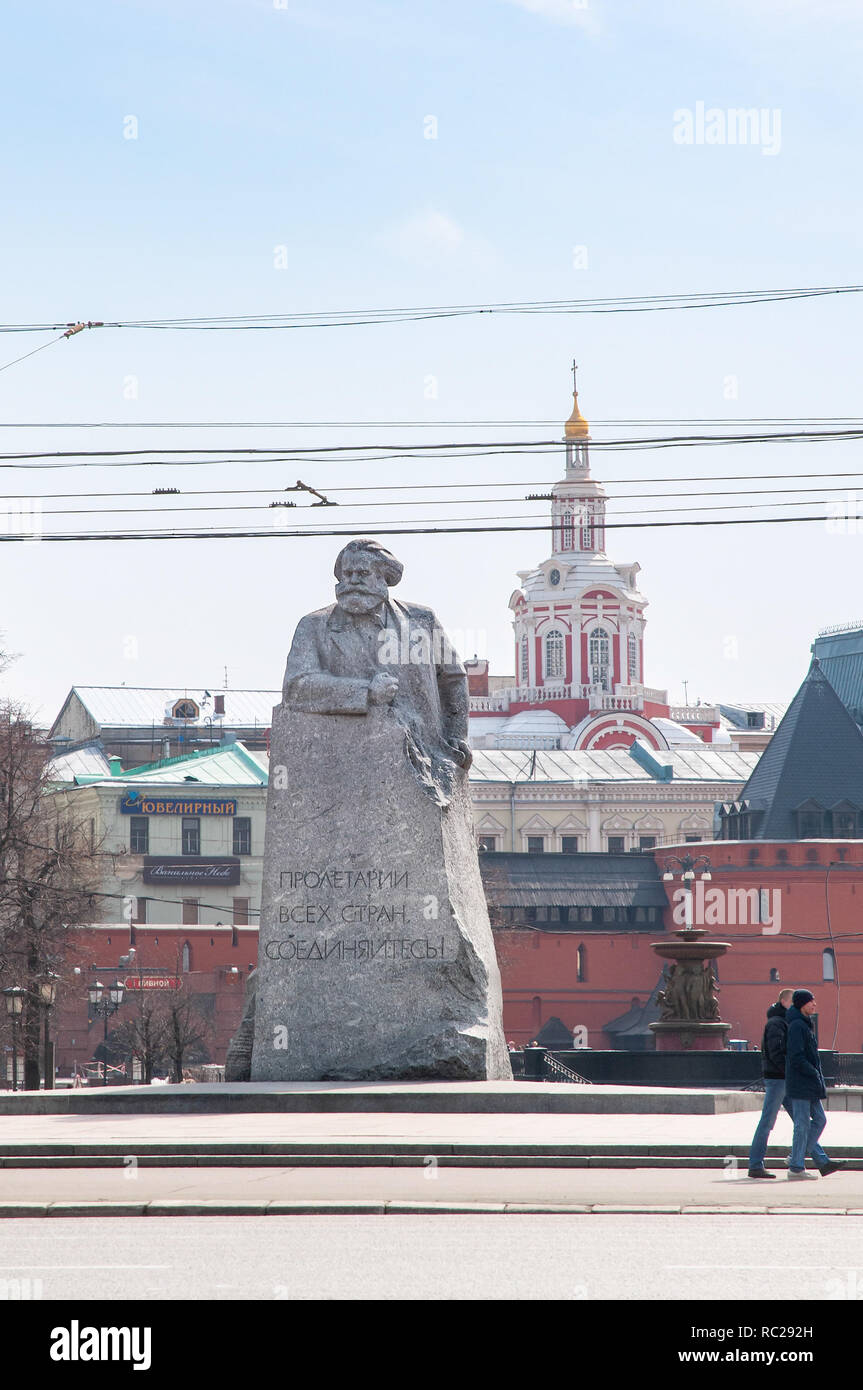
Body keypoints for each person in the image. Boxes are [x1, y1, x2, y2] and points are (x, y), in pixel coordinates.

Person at [785, 989, 844, 1180]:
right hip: (802, 1083)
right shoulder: (796, 1026)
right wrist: (812, 1071)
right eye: (811, 1002)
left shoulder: (804, 1024)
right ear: (802, 1004)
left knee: (819, 1120)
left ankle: (796, 1157)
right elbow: (796, 1057)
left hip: (809, 1083)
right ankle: (796, 1168)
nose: (814, 1004)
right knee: (801, 1124)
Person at [747, 988, 794, 1179]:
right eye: (793, 1002)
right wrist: (789, 1071)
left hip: (782, 1078)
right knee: (767, 1122)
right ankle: (755, 1165)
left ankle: (819, 1160)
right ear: (784, 1002)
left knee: (802, 1122)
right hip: (778, 1079)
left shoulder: (783, 1021)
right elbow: (776, 1053)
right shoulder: (777, 1023)